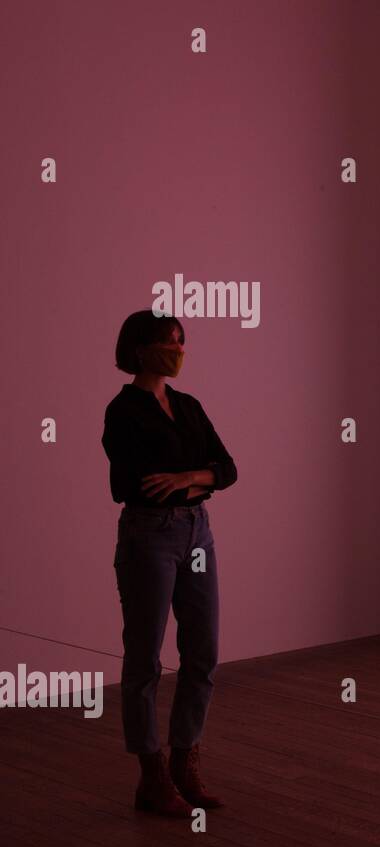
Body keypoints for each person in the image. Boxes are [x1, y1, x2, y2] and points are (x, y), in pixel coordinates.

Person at [101, 310, 237, 817]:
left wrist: (186, 480)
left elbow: (228, 468)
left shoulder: (189, 405)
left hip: (197, 531)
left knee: (203, 652)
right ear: (140, 348)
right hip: (148, 536)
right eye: (166, 341)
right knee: (145, 660)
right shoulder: (124, 411)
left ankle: (186, 763)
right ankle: (151, 777)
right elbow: (130, 485)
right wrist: (201, 478)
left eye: (181, 341)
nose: (177, 350)